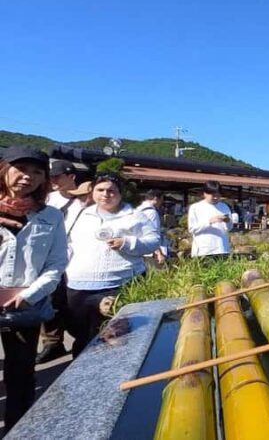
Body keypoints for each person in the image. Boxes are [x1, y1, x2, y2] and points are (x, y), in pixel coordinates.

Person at [0, 146, 68, 431]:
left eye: (36, 172)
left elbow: (56, 264)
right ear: (5, 171)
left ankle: (18, 430)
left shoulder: (51, 216)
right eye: (21, 169)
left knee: (21, 374)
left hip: (24, 307)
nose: (27, 177)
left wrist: (29, 296)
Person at [65, 173, 159, 355]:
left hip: (120, 284)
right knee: (82, 335)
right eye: (100, 190)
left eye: (111, 190)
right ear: (92, 192)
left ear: (120, 193)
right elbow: (66, 242)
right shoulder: (80, 214)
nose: (105, 194)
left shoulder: (135, 215)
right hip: (79, 286)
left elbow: (154, 240)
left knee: (118, 337)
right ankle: (80, 376)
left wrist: (127, 243)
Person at [37, 180, 94, 364]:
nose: (82, 199)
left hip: (84, 271)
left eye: (85, 195)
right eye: (80, 196)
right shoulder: (72, 210)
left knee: (73, 309)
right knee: (54, 304)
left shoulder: (100, 214)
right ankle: (54, 343)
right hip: (62, 264)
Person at [188, 180, 232, 257]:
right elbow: (192, 229)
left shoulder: (224, 206)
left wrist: (228, 221)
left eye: (218, 196)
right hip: (203, 250)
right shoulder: (195, 207)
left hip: (222, 248)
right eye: (213, 195)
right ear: (205, 194)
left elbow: (229, 228)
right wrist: (209, 222)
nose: (215, 198)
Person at [136, 189, 167, 264]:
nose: (161, 203)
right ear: (156, 199)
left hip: (138, 250)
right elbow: (153, 234)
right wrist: (159, 253)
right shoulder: (152, 213)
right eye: (161, 200)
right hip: (151, 252)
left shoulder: (138, 210)